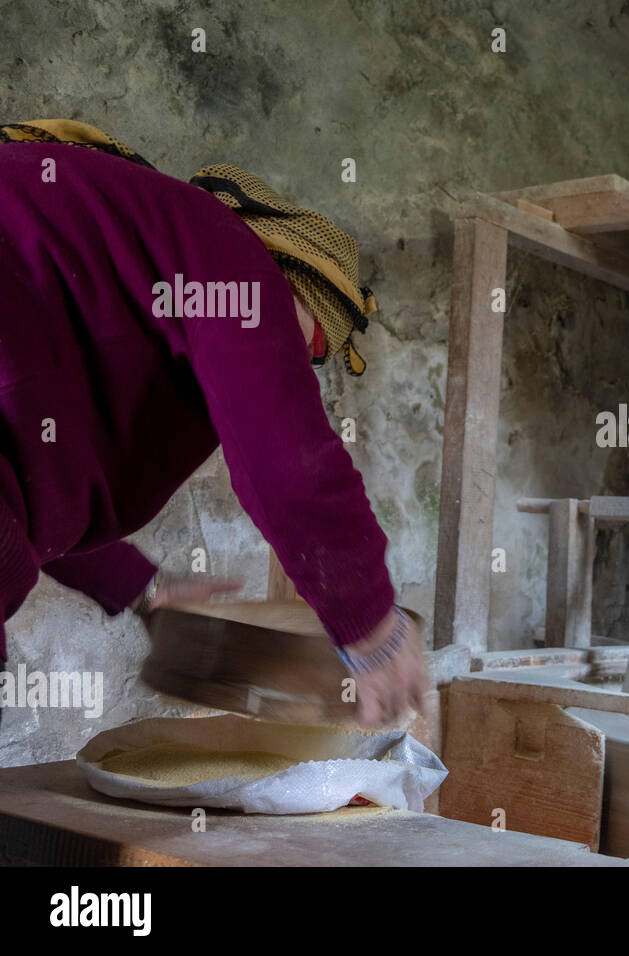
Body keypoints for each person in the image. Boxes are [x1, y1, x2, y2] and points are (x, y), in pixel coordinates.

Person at [0, 120, 425, 729]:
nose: (300, 363)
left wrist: (144, 588)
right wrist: (374, 628)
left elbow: (37, 492)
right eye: (311, 347)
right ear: (294, 280)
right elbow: (287, 463)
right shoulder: (232, 256)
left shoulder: (124, 269)